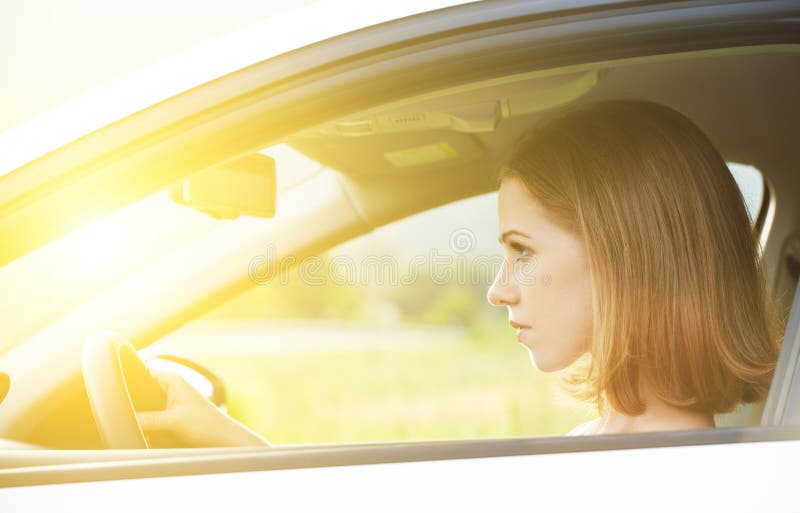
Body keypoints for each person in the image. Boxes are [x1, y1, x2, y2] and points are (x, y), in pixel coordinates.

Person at [139, 99, 783, 445]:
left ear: (627, 259)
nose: (498, 290)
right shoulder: (610, 445)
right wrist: (222, 435)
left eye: (523, 252)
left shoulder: (665, 478)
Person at [487, 99, 783, 435]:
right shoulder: (592, 442)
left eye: (523, 250)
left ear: (621, 255)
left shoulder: (677, 461)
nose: (497, 292)